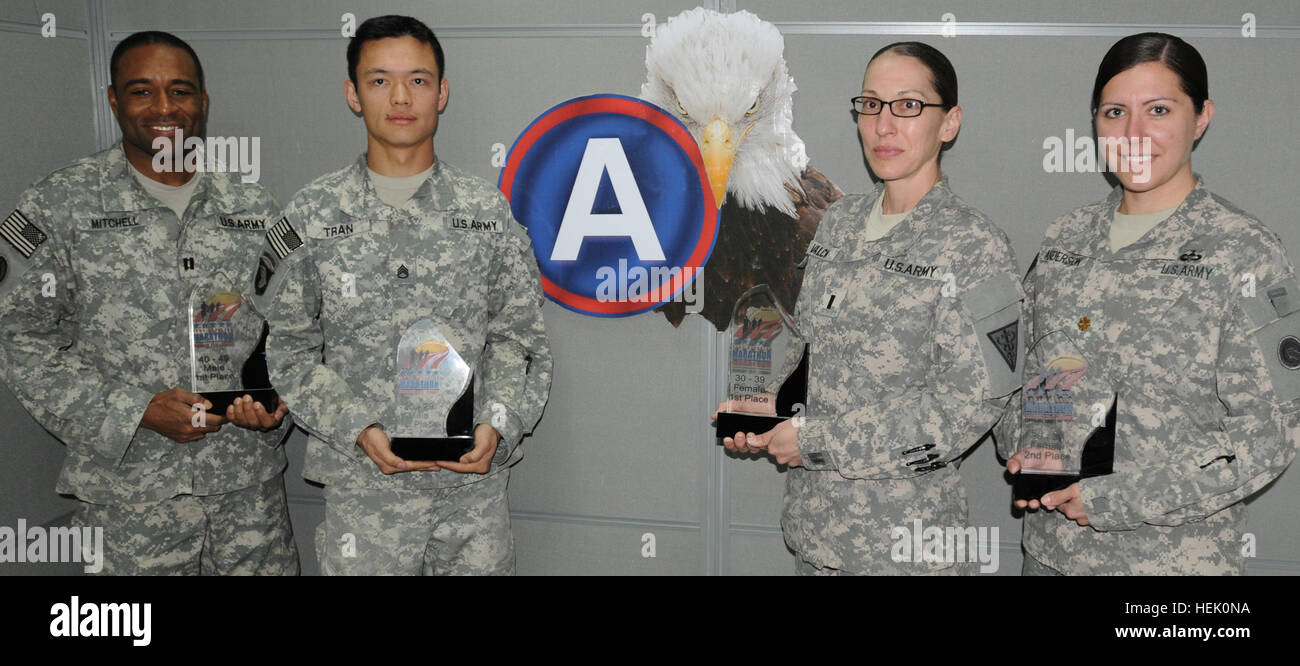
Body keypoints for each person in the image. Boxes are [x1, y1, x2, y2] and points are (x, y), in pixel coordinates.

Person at [997, 33, 1298, 575]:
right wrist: (1031, 446)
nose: (1133, 134)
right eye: (1115, 112)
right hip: (1049, 555)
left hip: (1170, 571)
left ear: (1201, 117)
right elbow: (1028, 374)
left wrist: (1118, 497)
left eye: (1158, 110)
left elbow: (1273, 431)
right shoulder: (1067, 238)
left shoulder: (1243, 251)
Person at [261, 15, 551, 576]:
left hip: (472, 493)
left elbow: (522, 342)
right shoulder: (314, 214)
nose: (400, 96)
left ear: (442, 93)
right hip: (363, 493)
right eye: (379, 80)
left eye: (418, 80)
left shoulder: (486, 213)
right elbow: (287, 351)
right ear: (353, 94)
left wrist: (499, 423)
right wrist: (355, 426)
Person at [719, 42, 1023, 574]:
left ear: (948, 123)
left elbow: (968, 409)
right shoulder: (839, 222)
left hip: (906, 548)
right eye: (871, 104)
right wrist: (772, 408)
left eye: (908, 106)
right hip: (816, 536)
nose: (884, 126)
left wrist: (815, 441)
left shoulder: (975, 245)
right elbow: (810, 353)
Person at [0, 31, 297, 575]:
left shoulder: (253, 205)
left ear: (203, 102)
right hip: (130, 503)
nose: (164, 107)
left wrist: (271, 406)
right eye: (142, 91)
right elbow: (17, 338)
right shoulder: (60, 202)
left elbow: (287, 330)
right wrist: (135, 411)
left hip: (247, 494)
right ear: (113, 100)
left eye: (180, 90)